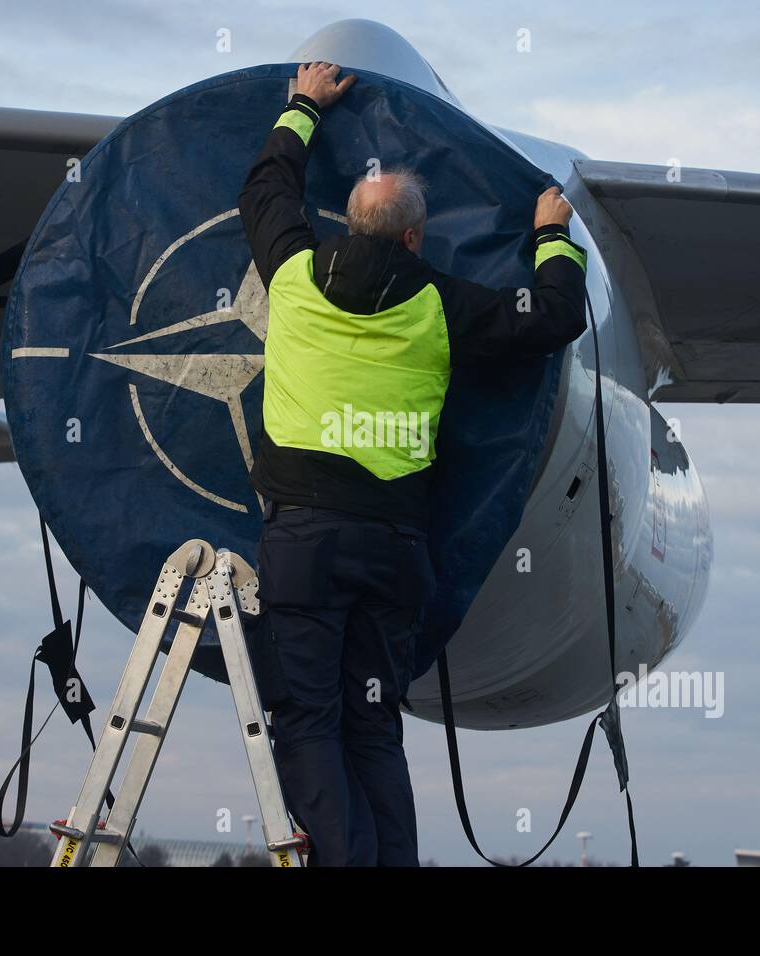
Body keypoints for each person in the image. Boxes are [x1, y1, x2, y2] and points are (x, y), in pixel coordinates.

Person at [238, 62, 588, 866]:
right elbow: (555, 315)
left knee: (307, 719)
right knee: (372, 720)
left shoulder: (292, 275)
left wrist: (302, 108)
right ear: (412, 237)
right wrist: (548, 236)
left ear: (349, 227)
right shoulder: (440, 304)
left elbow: (265, 191)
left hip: (305, 545)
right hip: (393, 552)